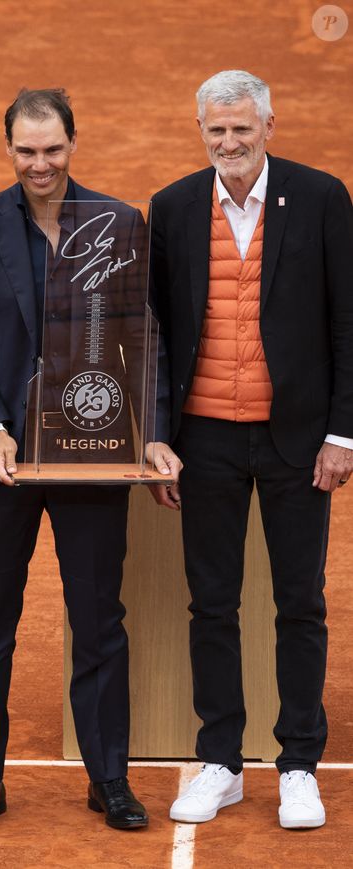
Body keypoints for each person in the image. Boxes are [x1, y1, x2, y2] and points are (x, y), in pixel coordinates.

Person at [0, 88, 181, 833]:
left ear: (74, 143)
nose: (39, 163)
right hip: (3, 463)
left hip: (91, 457)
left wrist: (151, 430)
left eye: (52, 149)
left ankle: (109, 777)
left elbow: (145, 338)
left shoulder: (116, 222)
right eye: (25, 150)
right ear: (7, 149)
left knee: (100, 620)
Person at [149, 70, 353, 829]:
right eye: (216, 130)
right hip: (203, 439)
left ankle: (299, 760)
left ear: (269, 125)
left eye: (241, 128)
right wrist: (160, 436)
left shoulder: (323, 197)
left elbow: (347, 322)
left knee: (300, 601)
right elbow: (160, 333)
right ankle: (221, 760)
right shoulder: (172, 207)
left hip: (298, 441)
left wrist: (342, 431)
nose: (228, 143)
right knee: (212, 602)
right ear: (201, 130)